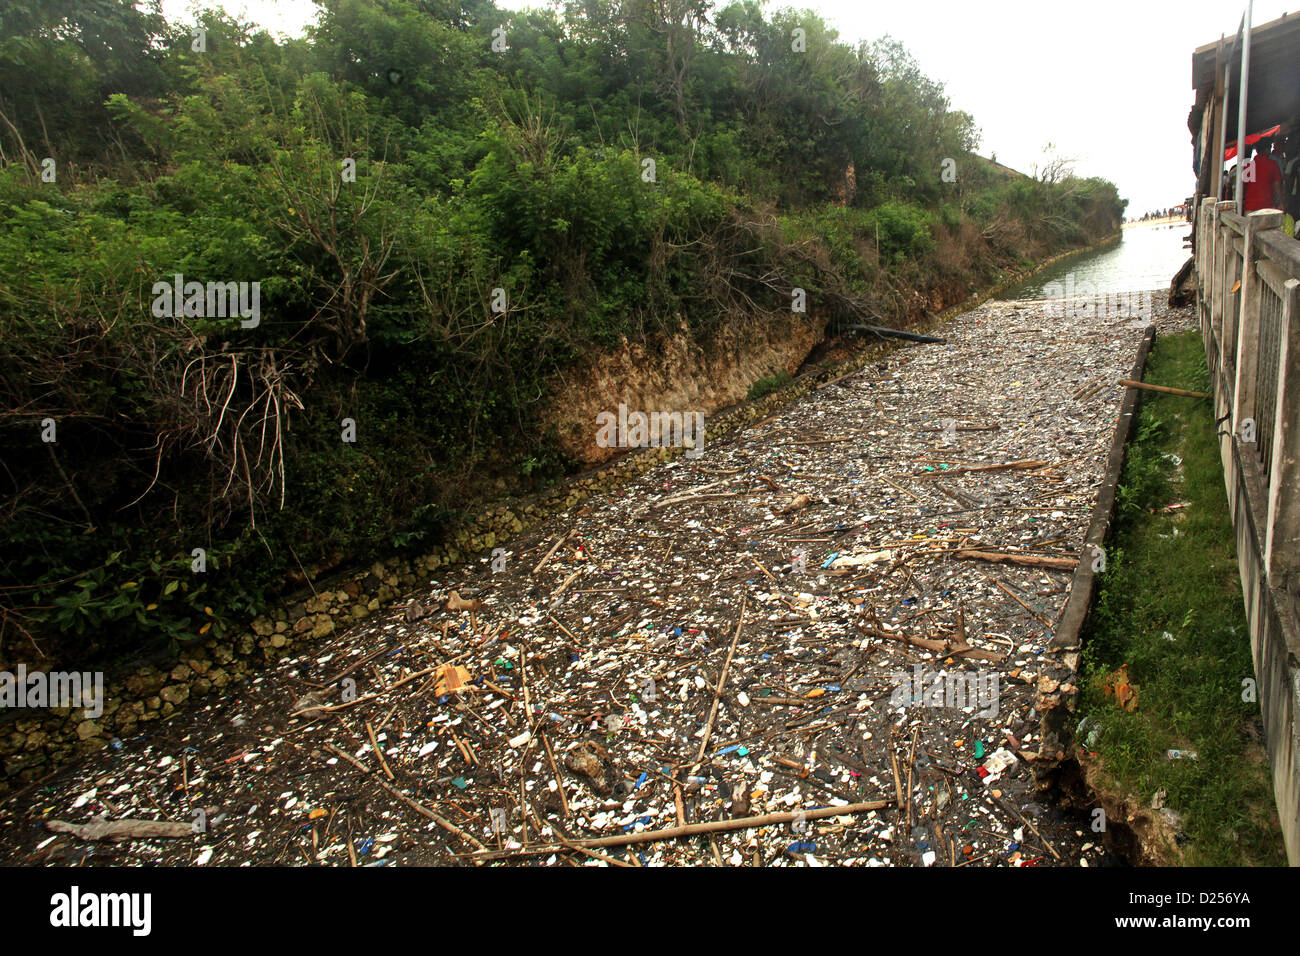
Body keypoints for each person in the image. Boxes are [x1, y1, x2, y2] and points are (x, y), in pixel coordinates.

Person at [1243, 137, 1284, 212]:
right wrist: (1281, 203)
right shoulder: (1273, 164)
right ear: (1267, 149)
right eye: (1270, 148)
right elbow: (1277, 187)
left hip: (1250, 207)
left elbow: (1244, 188)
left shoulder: (1249, 165)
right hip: (1267, 207)